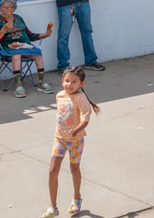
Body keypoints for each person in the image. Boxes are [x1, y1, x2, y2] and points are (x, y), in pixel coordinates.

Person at [43, 66, 100, 218]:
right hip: (60, 139)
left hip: (76, 141)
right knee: (52, 170)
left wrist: (76, 129)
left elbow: (85, 119)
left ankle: (77, 198)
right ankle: (53, 207)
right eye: (67, 81)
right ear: (62, 81)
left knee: (74, 169)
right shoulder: (59, 96)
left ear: (82, 83)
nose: (69, 84)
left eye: (74, 81)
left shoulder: (81, 99)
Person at [0, 0, 56, 98]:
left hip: (25, 46)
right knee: (17, 54)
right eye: (2, 7)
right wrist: (4, 29)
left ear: (14, 9)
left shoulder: (19, 18)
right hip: (7, 48)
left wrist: (45, 34)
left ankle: (42, 83)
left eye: (8, 8)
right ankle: (18, 86)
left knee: (37, 53)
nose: (4, 10)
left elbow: (30, 35)